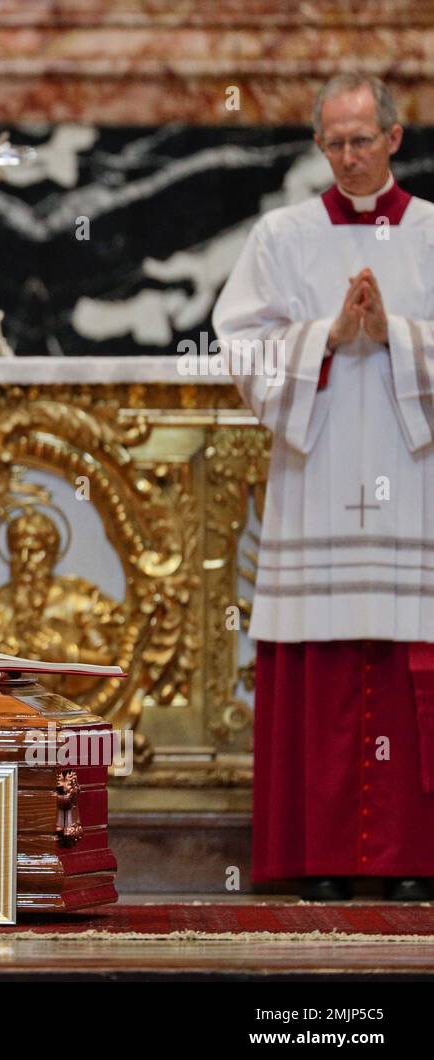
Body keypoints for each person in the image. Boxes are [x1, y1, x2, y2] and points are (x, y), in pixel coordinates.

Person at [213, 74, 434, 902]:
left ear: (394, 137)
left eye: (362, 140)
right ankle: (323, 856)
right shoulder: (283, 235)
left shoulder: (432, 236)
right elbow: (237, 345)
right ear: (319, 146)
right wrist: (328, 338)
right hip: (320, 477)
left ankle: (416, 858)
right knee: (326, 665)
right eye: (333, 143)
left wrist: (400, 337)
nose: (348, 157)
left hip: (416, 484)